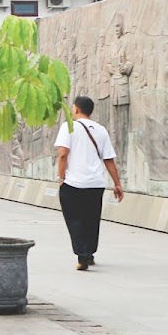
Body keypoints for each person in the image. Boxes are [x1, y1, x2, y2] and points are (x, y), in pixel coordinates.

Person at [55, 96, 123, 271]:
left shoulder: (68, 127)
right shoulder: (101, 130)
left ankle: (82, 255)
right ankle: (90, 252)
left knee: (74, 219)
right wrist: (117, 184)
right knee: (91, 219)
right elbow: (108, 159)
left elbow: (63, 154)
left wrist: (61, 177)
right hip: (96, 183)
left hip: (73, 183)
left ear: (76, 109)